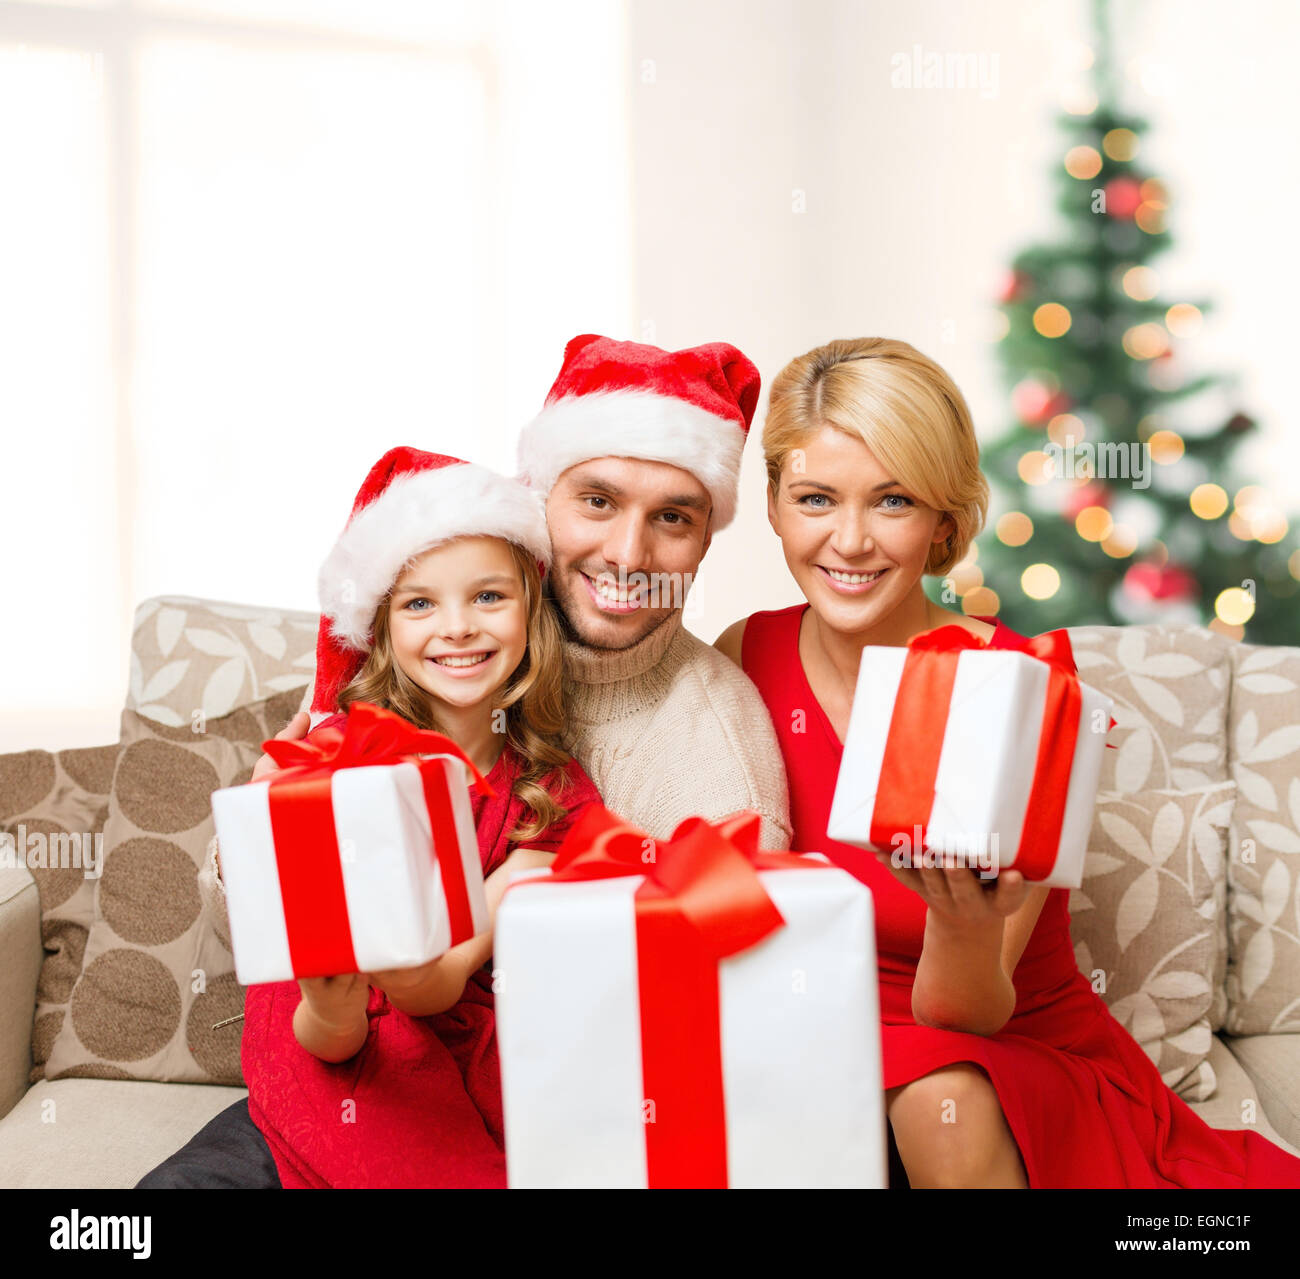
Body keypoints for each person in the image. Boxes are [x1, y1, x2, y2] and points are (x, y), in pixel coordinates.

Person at [139, 335, 792, 1187]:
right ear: (537, 504)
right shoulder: (393, 679)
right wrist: (258, 859)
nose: (629, 554)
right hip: (322, 1066)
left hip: (528, 1089)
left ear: (706, 536)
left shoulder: (690, 746)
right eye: (597, 500)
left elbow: (725, 993)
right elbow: (275, 959)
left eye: (673, 515)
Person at [715, 335, 1300, 1189]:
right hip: (825, 1034)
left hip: (998, 1042)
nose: (849, 540)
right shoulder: (744, 655)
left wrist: (960, 920)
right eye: (814, 498)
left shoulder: (1017, 686)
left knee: (936, 1095)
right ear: (771, 503)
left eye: (892, 501)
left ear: (943, 520)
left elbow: (972, 1008)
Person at [235, 448, 600, 1188]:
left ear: (532, 609)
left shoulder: (552, 798)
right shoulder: (329, 765)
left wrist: (407, 966)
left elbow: (440, 980)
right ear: (383, 626)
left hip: (447, 1034)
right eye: (421, 603)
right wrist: (329, 1005)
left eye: (488, 597)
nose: (458, 628)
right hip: (320, 1042)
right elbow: (317, 1033)